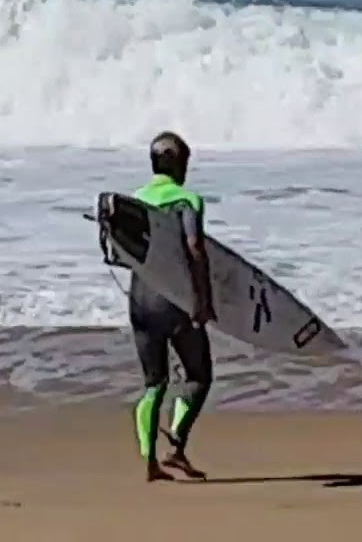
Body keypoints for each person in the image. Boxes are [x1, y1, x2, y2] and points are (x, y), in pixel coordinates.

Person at [128, 130, 216, 482]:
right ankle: (176, 446)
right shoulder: (187, 200)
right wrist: (202, 300)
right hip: (174, 302)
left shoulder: (134, 200)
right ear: (181, 165)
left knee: (154, 384)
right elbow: (195, 247)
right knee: (197, 375)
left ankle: (150, 462)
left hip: (139, 300)